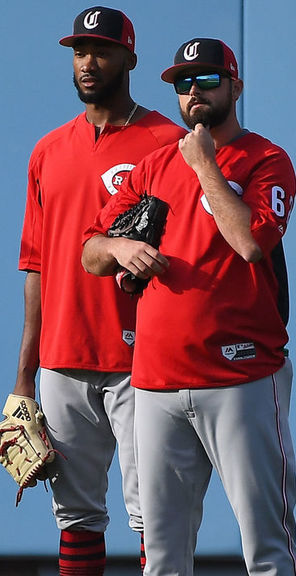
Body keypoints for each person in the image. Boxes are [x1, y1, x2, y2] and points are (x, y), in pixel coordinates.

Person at [81, 38, 296, 574]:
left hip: (239, 376)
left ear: (235, 87)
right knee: (162, 558)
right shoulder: (153, 166)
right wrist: (121, 247)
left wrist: (204, 166)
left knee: (269, 548)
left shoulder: (266, 159)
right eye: (183, 83)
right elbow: (90, 251)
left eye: (206, 80)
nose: (193, 91)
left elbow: (250, 242)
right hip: (156, 383)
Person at [11, 6, 185, 575]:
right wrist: (24, 376)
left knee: (150, 518)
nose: (88, 62)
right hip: (63, 358)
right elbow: (35, 267)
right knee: (76, 518)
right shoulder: (47, 150)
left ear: (129, 59)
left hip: (143, 359)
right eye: (80, 52)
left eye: (102, 51)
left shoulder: (168, 141)